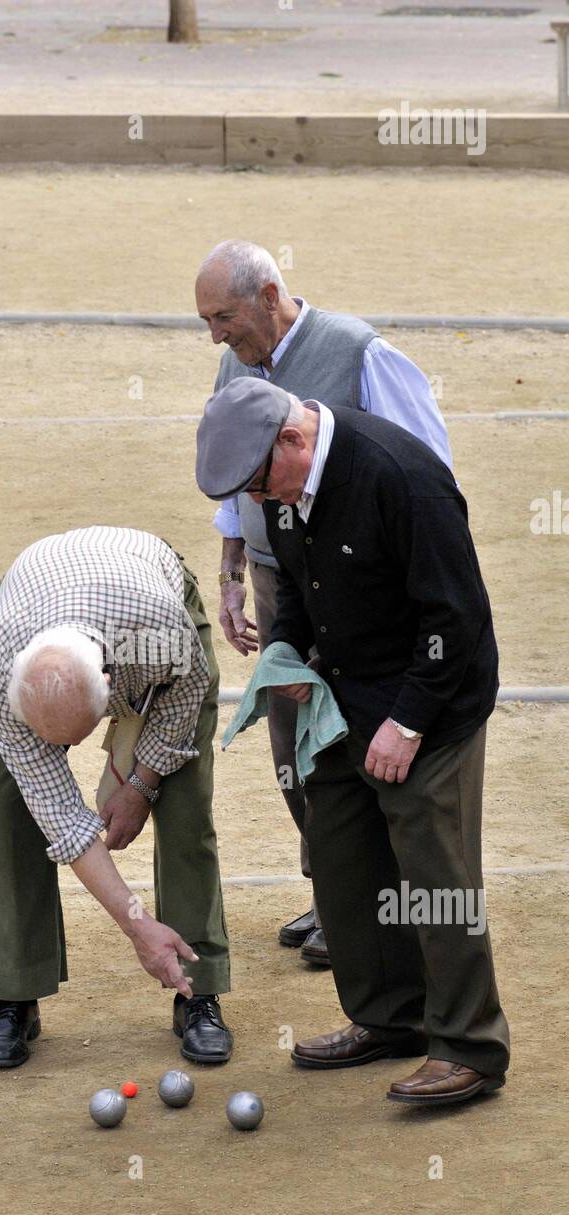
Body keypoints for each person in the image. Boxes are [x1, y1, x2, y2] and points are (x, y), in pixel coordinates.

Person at [196, 379, 509, 1106]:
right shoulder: (283, 493)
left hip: (430, 702)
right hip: (344, 698)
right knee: (342, 858)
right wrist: (287, 654)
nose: (261, 503)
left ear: (293, 441)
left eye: (259, 484)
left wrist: (408, 723)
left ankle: (468, 1047)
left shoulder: (399, 476)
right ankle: (387, 1019)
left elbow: (453, 614)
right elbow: (301, 596)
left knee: (435, 881)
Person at [195, 239, 452, 966]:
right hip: (285, 590)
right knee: (294, 753)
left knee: (354, 746)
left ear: (269, 297)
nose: (215, 335)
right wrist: (231, 572)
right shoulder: (234, 365)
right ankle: (332, 894)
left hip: (358, 588)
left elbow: (424, 471)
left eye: (223, 317)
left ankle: (376, 911)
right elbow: (231, 475)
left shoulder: (358, 353)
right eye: (207, 321)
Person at [0, 525, 233, 1069]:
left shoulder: (165, 634)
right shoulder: (1, 666)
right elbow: (64, 819)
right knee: (11, 811)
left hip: (148, 589)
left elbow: (181, 709)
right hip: (34, 591)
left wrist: (140, 785)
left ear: (113, 683)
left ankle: (198, 987)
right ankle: (15, 993)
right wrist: (138, 927)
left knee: (185, 807)